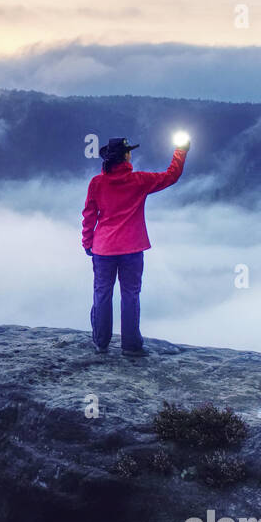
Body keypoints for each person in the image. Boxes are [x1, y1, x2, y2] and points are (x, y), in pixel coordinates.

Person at [81, 135, 189, 356]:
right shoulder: (139, 180)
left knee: (102, 293)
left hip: (104, 248)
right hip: (131, 248)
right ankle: (130, 345)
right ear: (126, 156)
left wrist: (87, 242)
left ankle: (101, 342)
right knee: (130, 294)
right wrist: (181, 150)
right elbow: (171, 176)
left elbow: (89, 215)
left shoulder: (97, 183)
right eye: (129, 151)